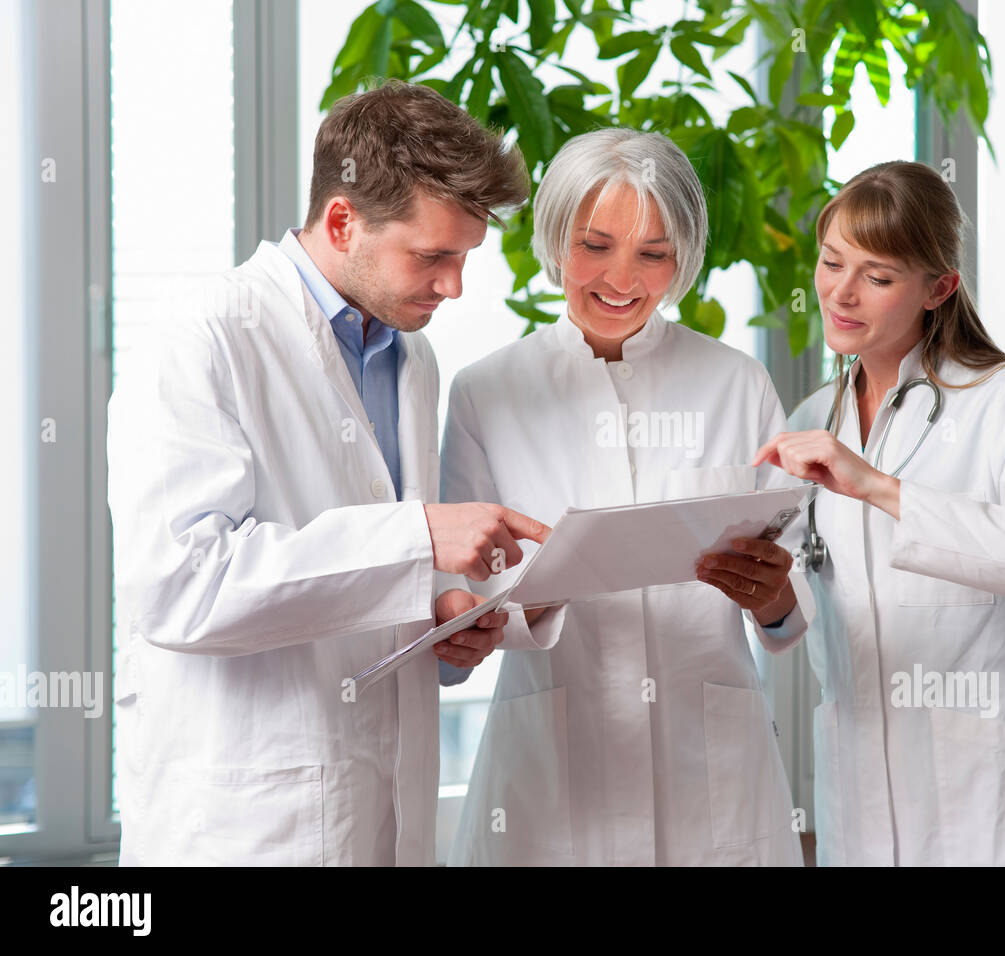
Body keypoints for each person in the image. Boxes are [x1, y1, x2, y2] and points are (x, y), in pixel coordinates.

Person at [107, 81, 549, 866]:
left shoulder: (412, 357)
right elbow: (179, 587)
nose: (454, 286)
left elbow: (355, 573)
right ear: (342, 220)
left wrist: (436, 614)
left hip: (382, 808)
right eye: (432, 256)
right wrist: (413, 539)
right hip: (245, 822)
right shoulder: (202, 336)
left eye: (464, 257)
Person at [442, 128, 813, 866]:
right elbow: (459, 608)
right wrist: (525, 602)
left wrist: (773, 598)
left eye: (654, 252)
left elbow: (795, 599)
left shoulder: (735, 384)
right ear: (554, 242)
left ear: (684, 259)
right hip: (552, 768)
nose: (622, 276)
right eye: (595, 244)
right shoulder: (489, 392)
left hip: (713, 767)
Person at [753, 160, 1005, 866]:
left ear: (938, 287)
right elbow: (802, 622)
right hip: (860, 796)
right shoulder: (814, 416)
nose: (841, 293)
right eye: (831, 262)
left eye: (878, 277)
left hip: (989, 796)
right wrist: (767, 602)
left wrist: (878, 486)